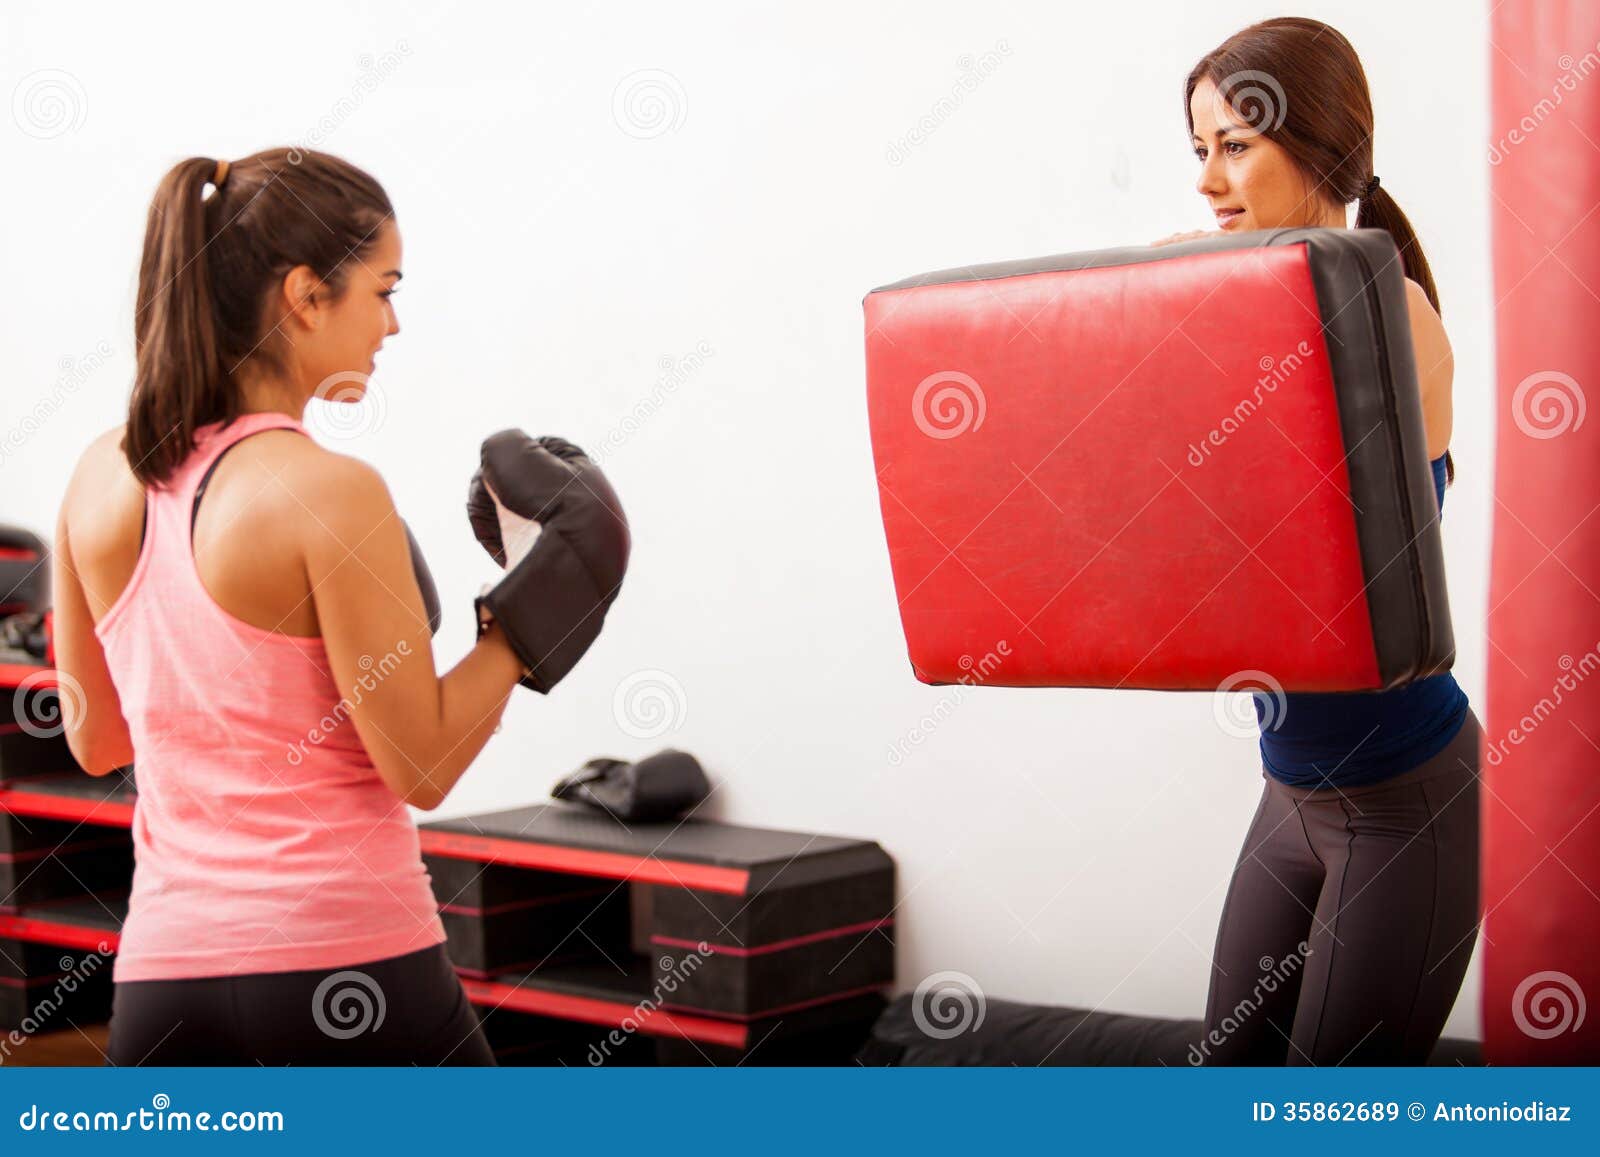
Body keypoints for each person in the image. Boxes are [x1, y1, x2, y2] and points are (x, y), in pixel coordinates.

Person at [51, 148, 529, 1065]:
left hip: (164, 984)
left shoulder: (94, 474)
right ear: (307, 295)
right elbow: (420, 765)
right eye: (382, 289)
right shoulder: (330, 491)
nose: (392, 321)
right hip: (348, 966)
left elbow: (96, 742)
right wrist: (521, 628)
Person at [1158, 18, 1480, 1064]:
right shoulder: (1230, 299)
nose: (1210, 178)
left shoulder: (1399, 318)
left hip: (1405, 802)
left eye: (1236, 145)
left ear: (1322, 146)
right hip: (1291, 793)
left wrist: (1185, 312)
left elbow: (1308, 549)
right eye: (1198, 148)